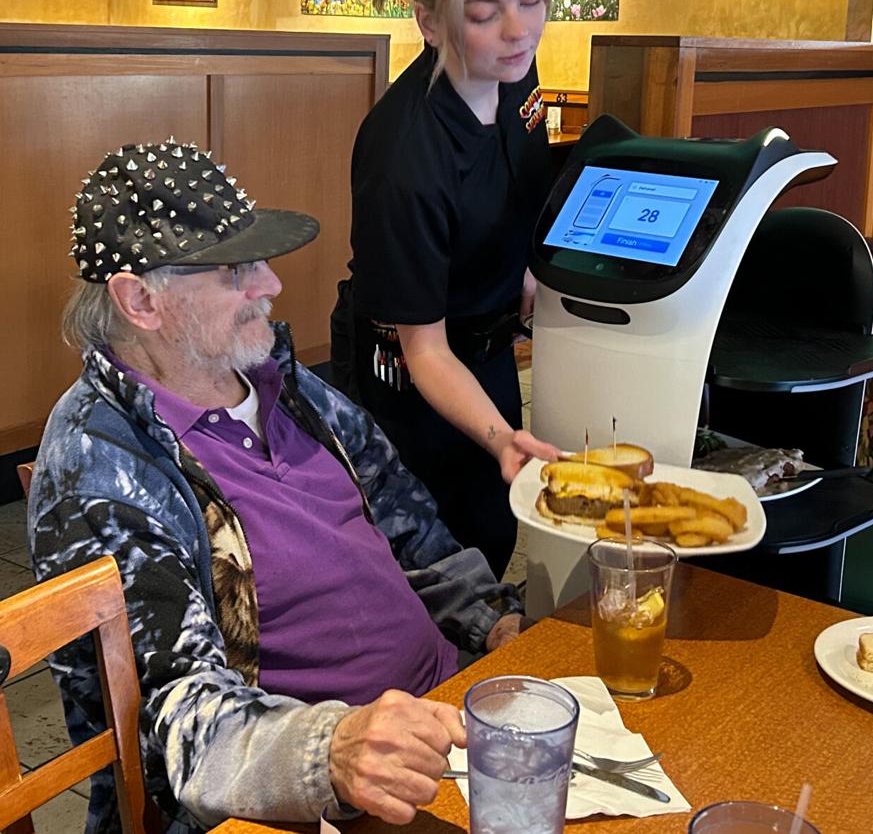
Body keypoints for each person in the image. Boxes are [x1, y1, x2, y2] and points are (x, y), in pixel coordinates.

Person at [29, 140, 526, 834]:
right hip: (315, 800)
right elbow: (175, 722)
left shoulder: (283, 386)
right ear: (140, 300)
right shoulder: (102, 464)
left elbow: (411, 532)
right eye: (237, 270)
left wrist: (497, 622)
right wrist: (332, 752)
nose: (271, 283)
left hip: (448, 721)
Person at [330, 0, 563, 578]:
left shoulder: (514, 73)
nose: (518, 29)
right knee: (437, 561)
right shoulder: (405, 153)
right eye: (485, 13)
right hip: (410, 369)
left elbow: (519, 183)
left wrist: (526, 266)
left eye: (531, 0)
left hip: (486, 343)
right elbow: (424, 350)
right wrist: (500, 437)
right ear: (430, 21)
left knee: (494, 532)